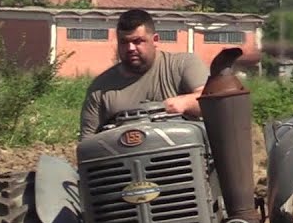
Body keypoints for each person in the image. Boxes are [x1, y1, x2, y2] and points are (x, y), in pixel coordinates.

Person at [79, 9, 209, 139]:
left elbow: (211, 102)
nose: (130, 48)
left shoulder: (182, 65)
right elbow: (87, 142)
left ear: (155, 40)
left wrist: (184, 103)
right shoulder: (100, 89)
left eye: (138, 41)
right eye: (124, 42)